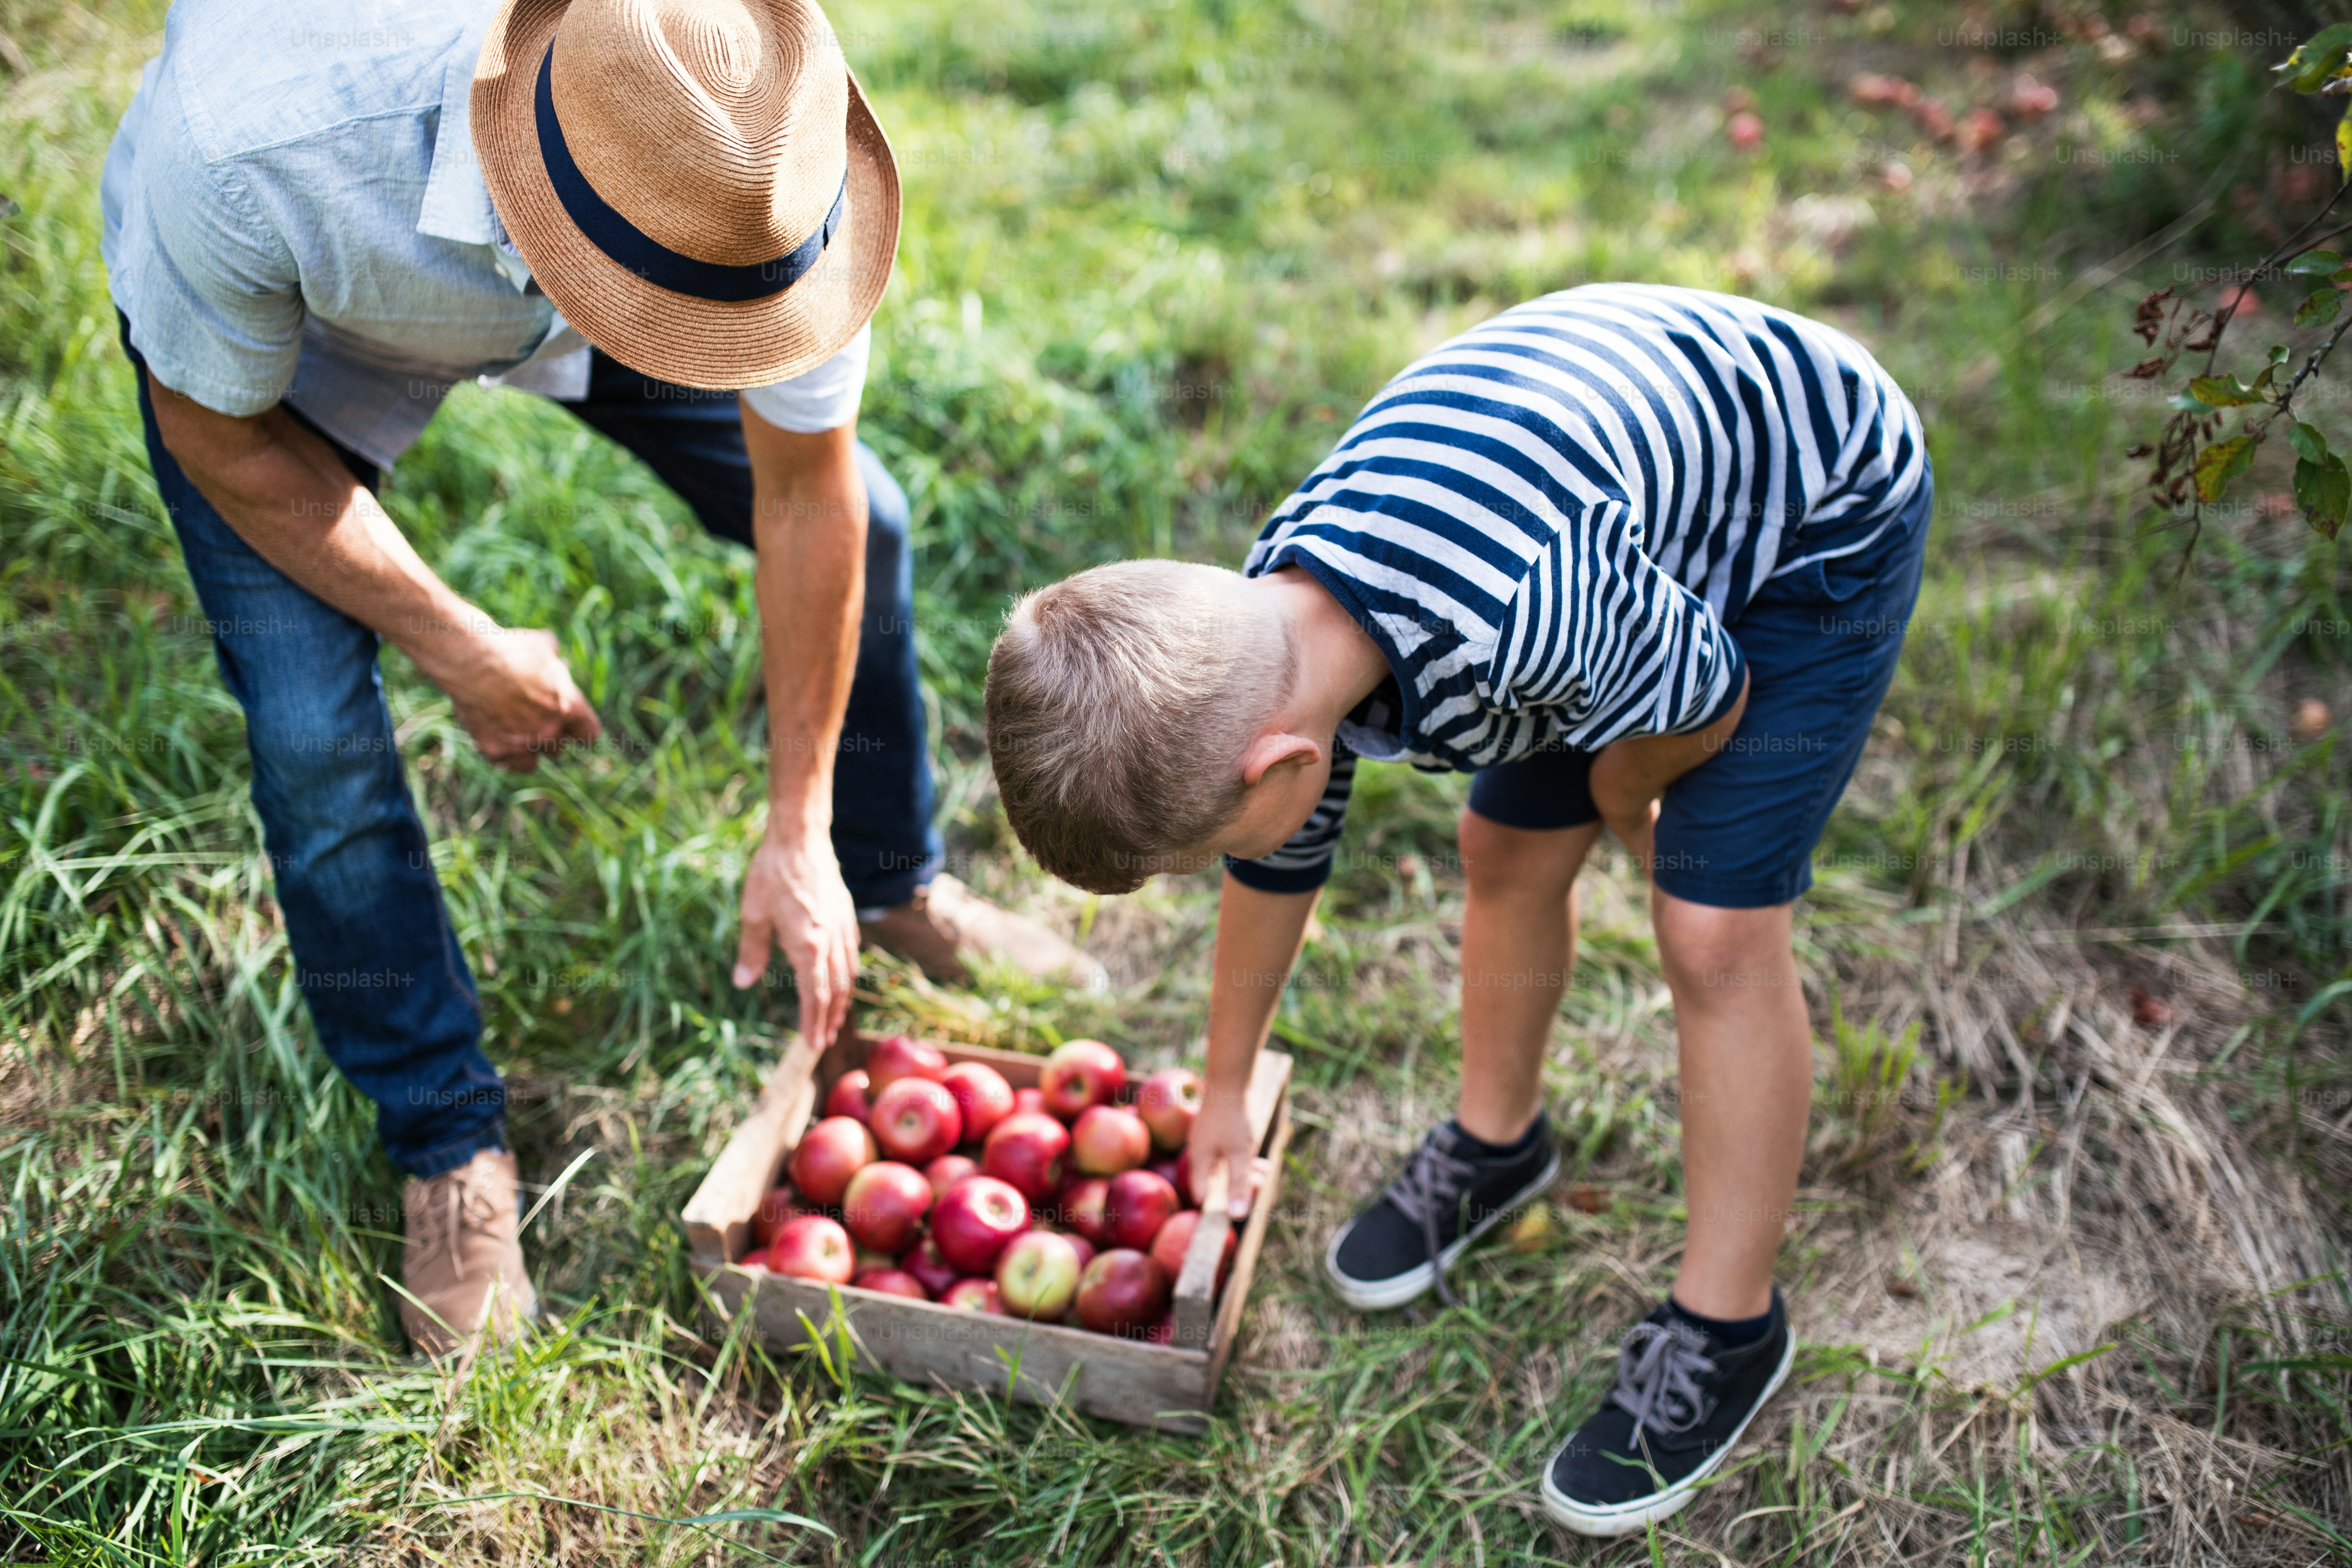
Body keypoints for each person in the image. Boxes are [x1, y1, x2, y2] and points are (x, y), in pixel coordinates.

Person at [101, 0, 1103, 1357]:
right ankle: (445, 1142)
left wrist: (794, 824)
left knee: (878, 508)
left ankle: (883, 875)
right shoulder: (249, 146)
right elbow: (218, 439)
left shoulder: (766, 157)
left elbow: (811, 500)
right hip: (305, 331)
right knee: (312, 734)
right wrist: (460, 644)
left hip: (608, 270)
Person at [985, 283, 1928, 1534]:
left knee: (1713, 933)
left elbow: (1703, 693)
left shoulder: (1525, 617)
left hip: (1810, 512)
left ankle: (1729, 1328)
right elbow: (1277, 868)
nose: (1215, 870)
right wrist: (1223, 1090)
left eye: (1197, 854)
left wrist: (1625, 789)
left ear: (1280, 767)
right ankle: (1500, 1143)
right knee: (1502, 841)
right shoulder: (1270, 632)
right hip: (1610, 528)